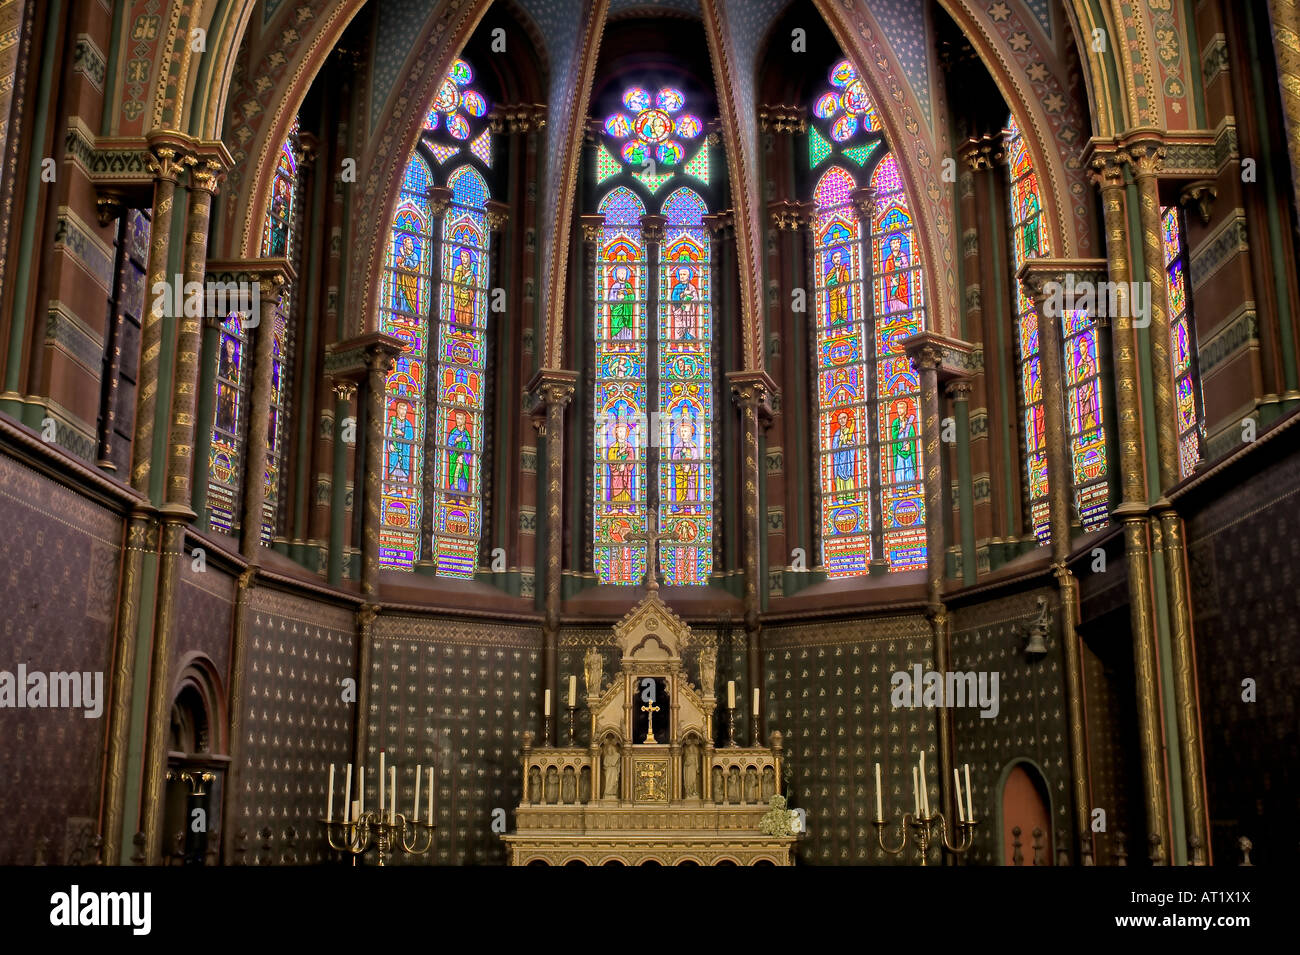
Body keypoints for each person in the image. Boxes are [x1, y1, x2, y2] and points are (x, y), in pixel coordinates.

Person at [891, 398, 917, 482]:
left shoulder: (910, 422)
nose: (899, 410)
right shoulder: (895, 422)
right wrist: (901, 429)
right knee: (900, 469)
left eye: (902, 408)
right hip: (899, 450)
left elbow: (912, 436)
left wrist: (909, 444)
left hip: (908, 450)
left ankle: (911, 488)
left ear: (905, 410)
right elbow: (893, 435)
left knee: (909, 467)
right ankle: (900, 489)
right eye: (898, 408)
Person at [446, 408, 472, 492]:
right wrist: (455, 441)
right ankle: (453, 496)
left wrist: (463, 456)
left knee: (463, 477)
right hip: (454, 460)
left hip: (463, 461)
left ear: (464, 420)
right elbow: (449, 445)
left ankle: (462, 498)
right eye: (457, 418)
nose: (458, 421)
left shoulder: (466, 434)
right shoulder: (454, 432)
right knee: (454, 476)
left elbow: (469, 447)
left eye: (460, 419)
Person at [387, 399, 414, 481]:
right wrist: (390, 444)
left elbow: (410, 436)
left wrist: (401, 433)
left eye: (405, 410)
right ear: (397, 410)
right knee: (394, 466)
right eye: (401, 409)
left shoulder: (408, 423)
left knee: (403, 468)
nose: (403, 412)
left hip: (404, 449)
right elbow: (389, 434)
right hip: (395, 448)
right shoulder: (393, 422)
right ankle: (393, 487)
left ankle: (404, 489)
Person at [669, 264, 697, 339]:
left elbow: (696, 298)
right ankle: (680, 346)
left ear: (688, 276)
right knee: (680, 327)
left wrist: (689, 298)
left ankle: (690, 345)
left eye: (684, 274)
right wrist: (680, 296)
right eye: (680, 274)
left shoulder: (692, 287)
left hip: (689, 312)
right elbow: (673, 299)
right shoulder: (677, 287)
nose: (682, 276)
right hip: (679, 311)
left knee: (690, 327)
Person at [825, 248, 851, 327]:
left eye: (839, 257)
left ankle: (843, 329)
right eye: (836, 257)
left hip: (842, 296)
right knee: (834, 311)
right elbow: (827, 283)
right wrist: (835, 281)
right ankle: (834, 331)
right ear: (832, 260)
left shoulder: (844, 270)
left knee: (843, 310)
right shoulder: (831, 272)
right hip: (834, 296)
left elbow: (847, 281)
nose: (838, 259)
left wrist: (844, 287)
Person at [831, 410, 855, 492]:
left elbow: (854, 445)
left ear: (847, 419)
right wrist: (839, 442)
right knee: (839, 475)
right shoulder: (837, 433)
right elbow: (833, 448)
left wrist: (851, 444)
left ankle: (850, 496)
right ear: (838, 421)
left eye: (844, 418)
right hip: (839, 458)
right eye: (840, 418)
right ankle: (840, 497)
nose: (842, 420)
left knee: (848, 473)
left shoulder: (850, 431)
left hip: (848, 457)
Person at [608, 265, 634, 339]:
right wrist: (618, 298)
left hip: (626, 310)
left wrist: (624, 297)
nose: (622, 275)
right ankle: (616, 345)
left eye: (624, 273)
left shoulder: (628, 286)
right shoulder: (614, 286)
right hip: (617, 310)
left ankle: (627, 345)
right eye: (620, 273)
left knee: (626, 327)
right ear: (616, 275)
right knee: (616, 324)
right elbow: (611, 298)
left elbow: (632, 297)